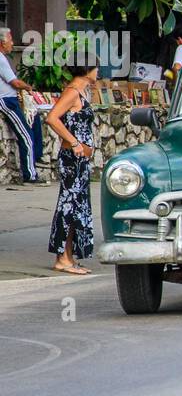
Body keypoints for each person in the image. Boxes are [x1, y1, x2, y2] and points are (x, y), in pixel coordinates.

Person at [45, 57, 100, 275]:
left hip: (80, 161)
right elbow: (52, 118)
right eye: (96, 68)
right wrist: (76, 142)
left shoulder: (83, 91)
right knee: (68, 206)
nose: (98, 72)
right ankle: (62, 258)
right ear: (87, 70)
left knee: (77, 207)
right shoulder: (73, 92)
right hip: (72, 159)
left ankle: (68, 256)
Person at [0, 27, 43, 187]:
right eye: (10, 40)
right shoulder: (1, 59)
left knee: (34, 121)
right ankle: (30, 175)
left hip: (11, 99)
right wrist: (28, 87)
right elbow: (15, 82)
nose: (12, 43)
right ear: (2, 43)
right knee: (26, 135)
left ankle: (36, 157)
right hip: (7, 101)